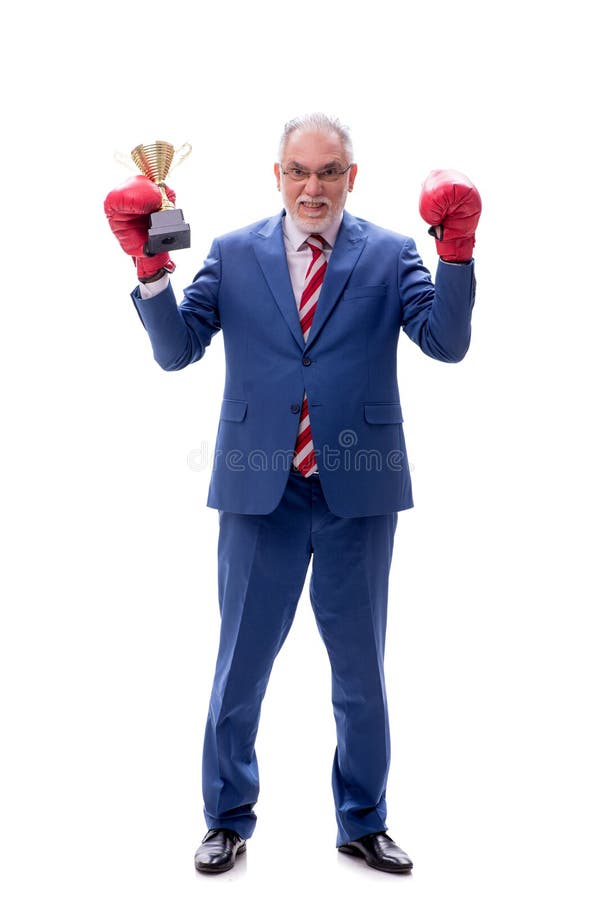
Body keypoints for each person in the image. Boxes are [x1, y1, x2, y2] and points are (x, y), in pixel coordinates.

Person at [104, 113, 481, 875]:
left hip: (358, 491)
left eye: (329, 172)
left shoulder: (389, 252)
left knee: (360, 674)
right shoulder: (233, 252)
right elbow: (177, 352)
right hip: (258, 489)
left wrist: (457, 252)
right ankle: (225, 820)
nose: (313, 187)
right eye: (299, 171)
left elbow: (445, 343)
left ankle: (363, 822)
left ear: (351, 177)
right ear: (276, 175)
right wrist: (149, 269)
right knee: (239, 668)